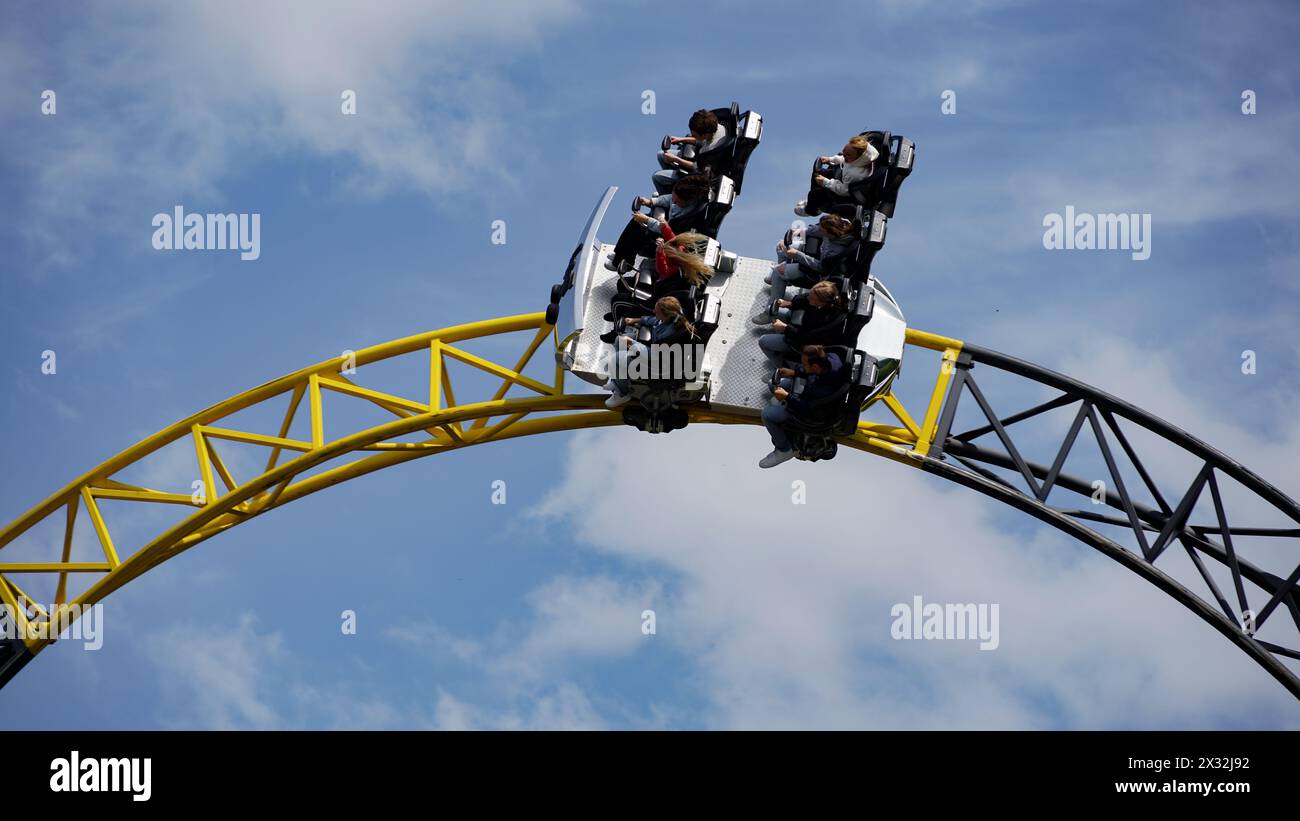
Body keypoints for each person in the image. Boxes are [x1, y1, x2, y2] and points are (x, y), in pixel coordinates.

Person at [759, 344, 848, 468]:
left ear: (815, 366)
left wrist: (787, 397)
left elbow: (806, 408)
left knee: (768, 415)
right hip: (810, 386)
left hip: (810, 409)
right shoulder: (832, 358)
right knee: (772, 385)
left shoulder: (820, 390)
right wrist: (795, 372)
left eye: (805, 365)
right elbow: (812, 374)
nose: (803, 366)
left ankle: (784, 450)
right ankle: (780, 397)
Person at [605, 295, 698, 408]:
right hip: (655, 350)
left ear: (666, 314)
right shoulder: (672, 317)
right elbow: (654, 320)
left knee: (617, 359)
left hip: (657, 364)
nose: (654, 311)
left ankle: (622, 393)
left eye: (657, 311)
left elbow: (653, 354)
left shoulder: (670, 333)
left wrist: (631, 343)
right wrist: (635, 320)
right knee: (619, 340)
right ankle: (617, 381)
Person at [608, 174, 712, 270]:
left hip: (670, 243)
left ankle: (623, 263)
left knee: (639, 229)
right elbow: (669, 200)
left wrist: (647, 220)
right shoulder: (681, 198)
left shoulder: (689, 217)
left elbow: (668, 231)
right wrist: (651, 202)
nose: (674, 202)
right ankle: (619, 255)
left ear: (688, 201)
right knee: (635, 222)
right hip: (665, 228)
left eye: (677, 201)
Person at [768, 213, 856, 299]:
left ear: (830, 234)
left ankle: (773, 306)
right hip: (818, 253)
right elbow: (818, 230)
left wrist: (797, 255)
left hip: (816, 273)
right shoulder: (841, 225)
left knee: (778, 271)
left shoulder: (836, 251)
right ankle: (784, 280)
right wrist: (799, 231)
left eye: (823, 231)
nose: (820, 231)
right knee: (781, 246)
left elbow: (821, 268)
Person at [752, 279, 847, 357]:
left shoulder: (825, 320)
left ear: (821, 302)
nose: (808, 297)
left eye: (812, 298)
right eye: (810, 294)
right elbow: (805, 299)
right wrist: (790, 304)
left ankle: (780, 366)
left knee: (763, 341)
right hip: (800, 321)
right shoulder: (822, 298)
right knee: (770, 309)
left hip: (801, 340)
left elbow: (806, 337)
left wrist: (785, 328)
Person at [794, 134, 882, 217]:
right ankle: (813, 203)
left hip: (848, 194)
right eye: (844, 150)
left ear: (859, 158)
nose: (844, 154)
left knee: (815, 194)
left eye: (848, 154)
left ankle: (811, 210)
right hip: (844, 177)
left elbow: (844, 190)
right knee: (818, 174)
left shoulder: (854, 174)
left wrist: (826, 182)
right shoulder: (861, 156)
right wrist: (830, 159)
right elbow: (843, 159)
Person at [653, 109, 733, 194]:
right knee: (660, 154)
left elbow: (697, 167)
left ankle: (672, 196)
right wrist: (681, 139)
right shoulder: (718, 127)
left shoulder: (711, 149)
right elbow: (702, 140)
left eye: (694, 135)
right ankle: (671, 183)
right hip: (700, 158)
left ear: (704, 134)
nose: (692, 135)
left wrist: (675, 159)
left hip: (700, 170)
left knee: (656, 177)